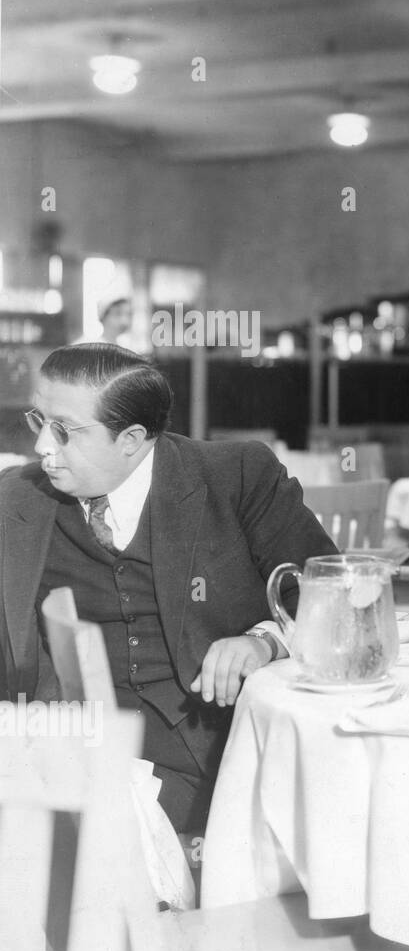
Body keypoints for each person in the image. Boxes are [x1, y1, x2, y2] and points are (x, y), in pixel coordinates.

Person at [0, 344, 336, 833]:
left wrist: (263, 642)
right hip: (71, 750)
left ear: (131, 438)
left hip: (207, 750)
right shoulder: (16, 499)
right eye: (39, 420)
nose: (42, 448)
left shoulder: (235, 476)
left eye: (64, 431)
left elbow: (330, 591)